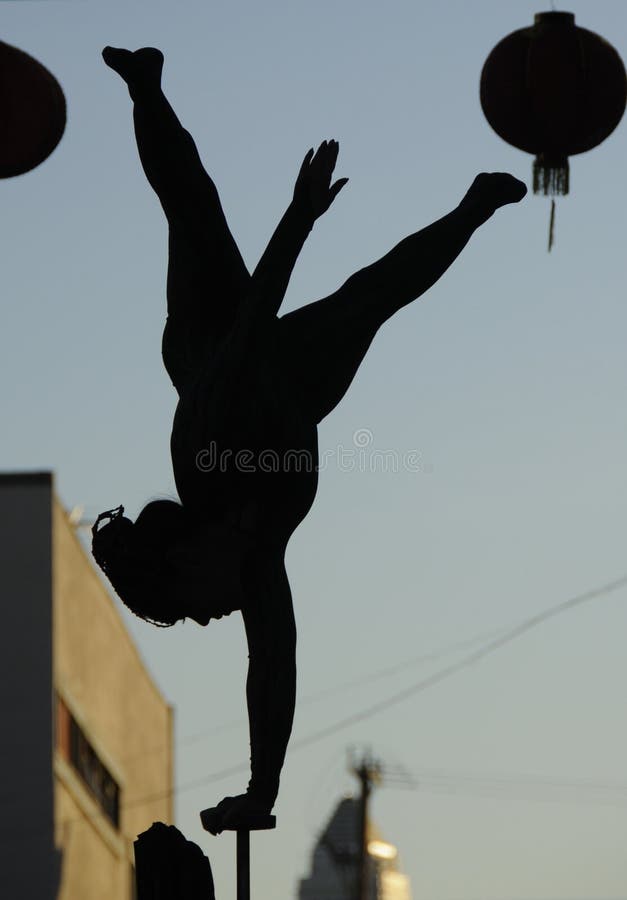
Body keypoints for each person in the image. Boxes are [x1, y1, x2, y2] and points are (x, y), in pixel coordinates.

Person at [92, 46, 527, 834]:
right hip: (292, 392)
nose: (209, 622)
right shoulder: (256, 568)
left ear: (186, 556)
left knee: (195, 209)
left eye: (191, 610)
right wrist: (263, 790)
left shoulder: (207, 446)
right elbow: (274, 674)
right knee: (371, 299)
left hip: (215, 347)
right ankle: (471, 209)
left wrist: (298, 216)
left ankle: (146, 88)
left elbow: (251, 325)